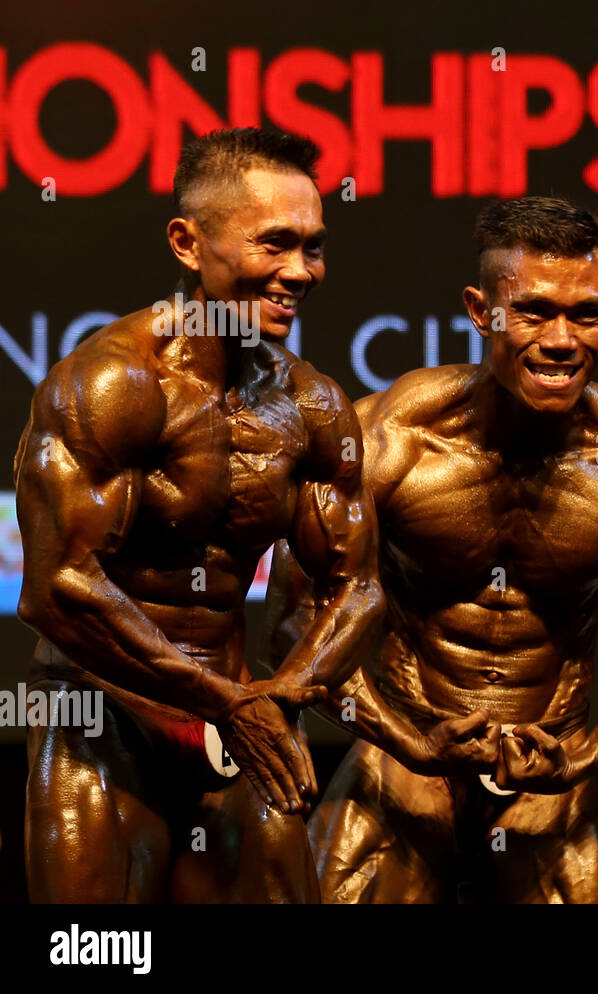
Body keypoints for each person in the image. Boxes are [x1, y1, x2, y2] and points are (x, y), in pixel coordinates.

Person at [265, 196, 598, 903]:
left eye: (586, 314)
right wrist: (406, 741)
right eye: (534, 311)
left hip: (551, 770)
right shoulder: (389, 441)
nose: (563, 340)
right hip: (404, 757)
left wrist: (581, 758)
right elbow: (296, 621)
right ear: (481, 311)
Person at [15, 127, 383, 902]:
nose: (299, 271)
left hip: (238, 721)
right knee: (95, 956)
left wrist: (283, 695)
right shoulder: (113, 384)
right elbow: (56, 589)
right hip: (106, 718)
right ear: (189, 243)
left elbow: (358, 587)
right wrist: (226, 703)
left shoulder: (311, 405)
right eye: (275, 243)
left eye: (314, 246)